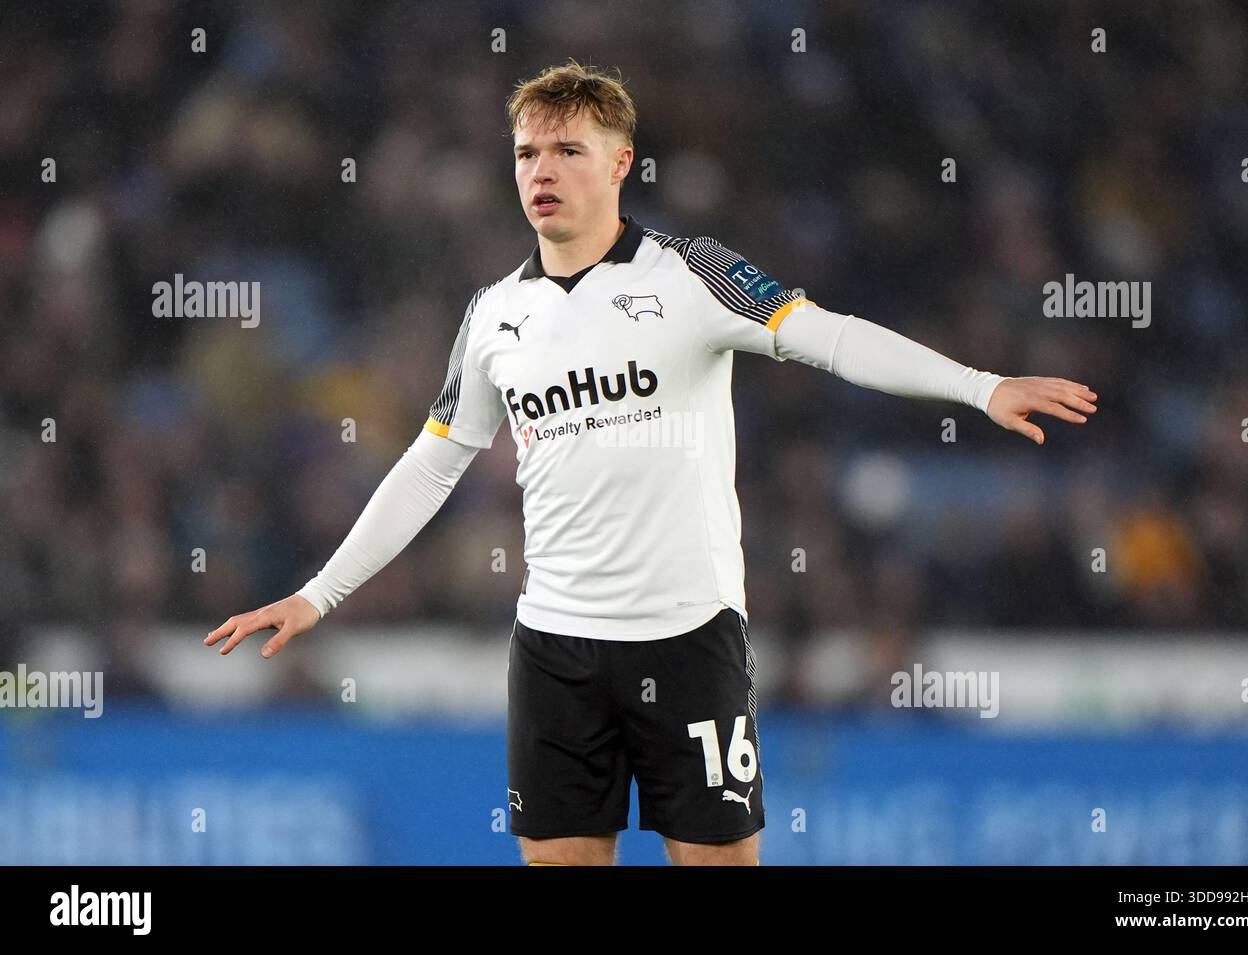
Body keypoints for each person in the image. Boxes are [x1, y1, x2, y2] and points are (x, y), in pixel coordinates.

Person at [205, 59, 1098, 866]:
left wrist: (979, 387)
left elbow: (828, 338)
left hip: (688, 636)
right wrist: (318, 593)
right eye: (525, 154)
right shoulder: (493, 316)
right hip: (554, 646)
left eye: (566, 150)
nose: (541, 172)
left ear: (622, 161)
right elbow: (432, 465)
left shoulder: (690, 273)